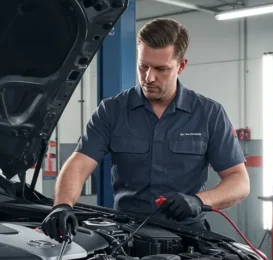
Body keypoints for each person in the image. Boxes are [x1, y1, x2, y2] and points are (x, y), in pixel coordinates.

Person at [41, 18, 250, 242]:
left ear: (181, 66)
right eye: (143, 66)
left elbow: (239, 181)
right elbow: (79, 164)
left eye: (161, 69)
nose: (149, 77)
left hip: (188, 237)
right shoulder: (112, 111)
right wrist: (62, 205)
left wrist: (199, 201)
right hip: (126, 237)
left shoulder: (209, 114)